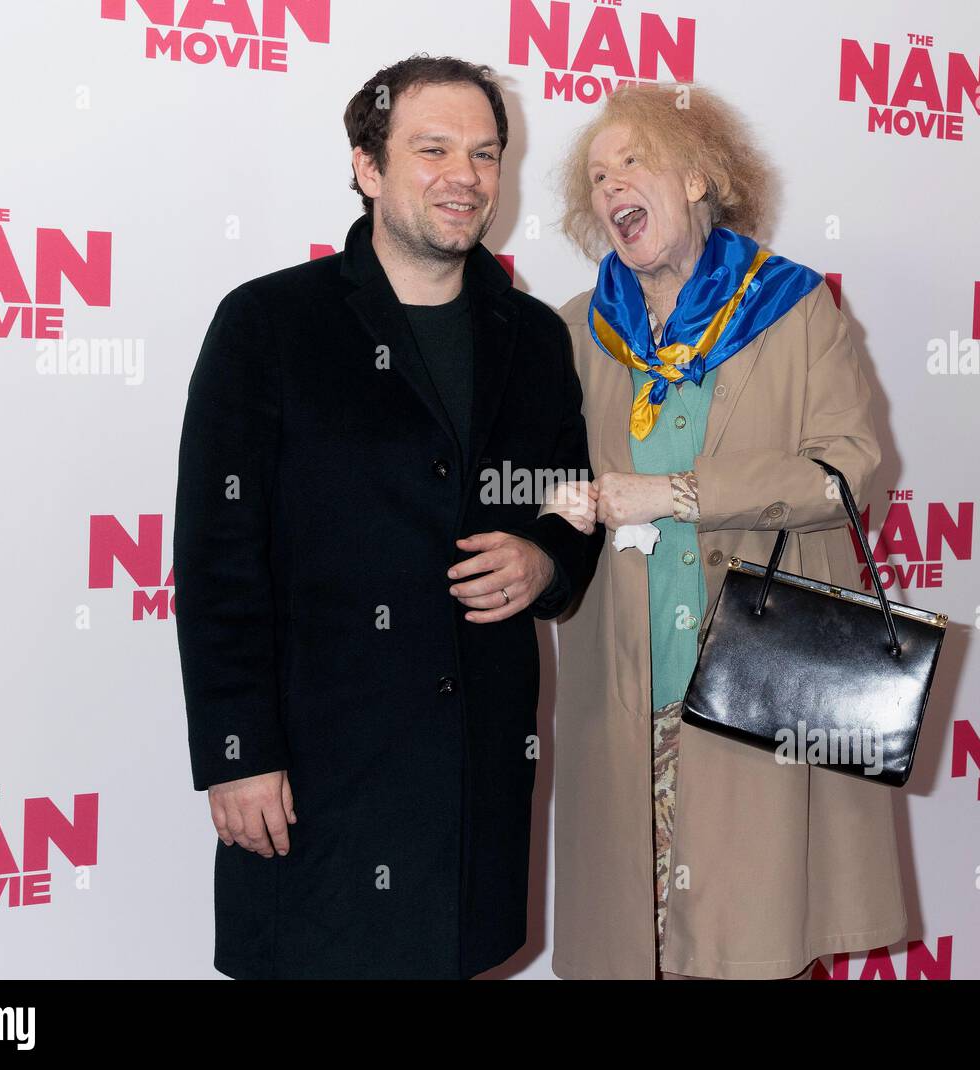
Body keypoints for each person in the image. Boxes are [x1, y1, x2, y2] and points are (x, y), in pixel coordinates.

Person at [173, 55, 598, 979]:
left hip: (473, 771)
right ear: (367, 166)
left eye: (485, 155)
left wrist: (546, 561)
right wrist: (236, 754)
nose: (466, 177)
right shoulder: (268, 325)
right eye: (432, 149)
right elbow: (217, 559)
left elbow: (571, 503)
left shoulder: (533, 337)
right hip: (318, 774)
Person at [543, 83, 907, 980]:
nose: (611, 183)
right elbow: (546, 485)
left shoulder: (795, 308)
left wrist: (675, 491)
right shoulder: (574, 333)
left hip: (755, 681)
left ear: (702, 177)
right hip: (623, 689)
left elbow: (846, 468)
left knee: (751, 944)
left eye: (634, 160)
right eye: (596, 174)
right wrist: (555, 503)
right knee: (637, 951)